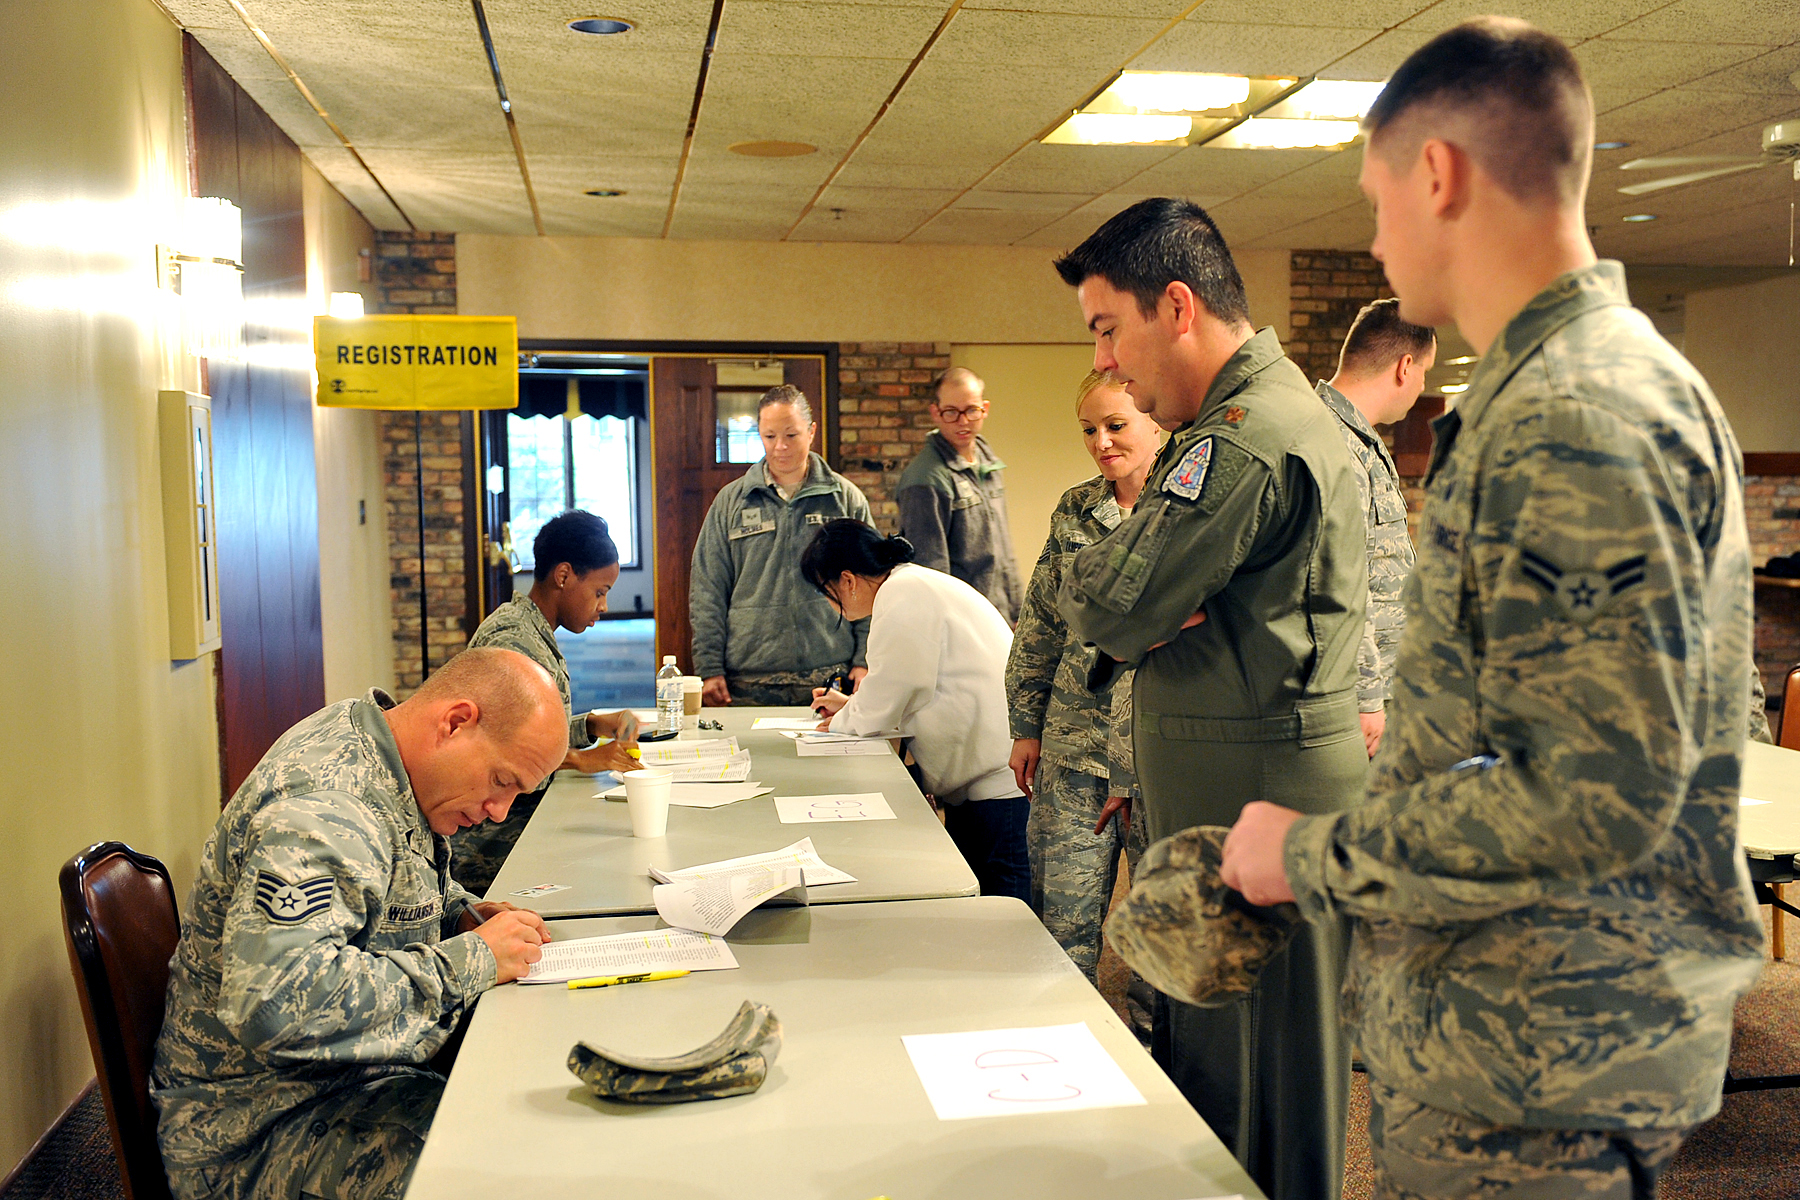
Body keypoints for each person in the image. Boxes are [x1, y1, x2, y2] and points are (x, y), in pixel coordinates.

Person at [1218, 19, 1765, 1199]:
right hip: (1513, 1038)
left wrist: (1308, 853)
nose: (1375, 238)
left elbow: (1584, 798)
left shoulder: (1575, 415)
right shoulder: (1567, 391)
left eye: (1376, 201)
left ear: (1438, 174)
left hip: (1538, 1066)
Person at [1053, 197, 1369, 1200]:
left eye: (1110, 328)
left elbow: (1109, 600)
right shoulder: (1249, 419)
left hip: (1257, 800)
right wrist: (1138, 602)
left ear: (1177, 307)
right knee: (1222, 1066)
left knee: (1255, 1084)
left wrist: (1128, 599)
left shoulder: (1240, 438)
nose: (1106, 361)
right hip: (1237, 794)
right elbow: (1126, 602)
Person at [152, 648, 567, 1200]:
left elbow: (384, 886)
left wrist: (461, 914)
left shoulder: (386, 753)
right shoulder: (328, 807)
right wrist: (473, 961)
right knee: (518, 1169)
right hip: (260, 1131)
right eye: (501, 781)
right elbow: (273, 1004)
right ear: (455, 722)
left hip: (341, 1082)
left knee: (539, 1100)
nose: (499, 810)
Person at [1005, 369, 1160, 983]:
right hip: (1075, 747)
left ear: (1155, 421)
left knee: (1162, 938)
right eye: (1089, 430)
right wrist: (1026, 724)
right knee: (1059, 928)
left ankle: (1154, 1044)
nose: (1102, 442)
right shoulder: (1077, 508)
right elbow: (1041, 622)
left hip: (1159, 756)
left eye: (1116, 425)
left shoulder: (1194, 507)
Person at [801, 519, 1029, 902]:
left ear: (847, 580)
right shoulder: (909, 584)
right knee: (980, 899)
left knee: (1003, 904)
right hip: (984, 774)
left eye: (827, 592)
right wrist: (852, 706)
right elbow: (904, 686)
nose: (830, 604)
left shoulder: (902, 594)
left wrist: (843, 721)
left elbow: (890, 695)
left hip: (996, 784)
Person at [450, 509, 640, 894]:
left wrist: (589, 726)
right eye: (600, 591)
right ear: (564, 576)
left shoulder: (530, 629)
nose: (603, 605)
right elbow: (500, 750)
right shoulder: (514, 640)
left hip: (516, 831)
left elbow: (523, 728)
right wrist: (581, 759)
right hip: (492, 848)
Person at [691, 384, 875, 706]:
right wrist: (709, 667)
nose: (780, 447)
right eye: (769, 436)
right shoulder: (730, 502)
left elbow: (871, 583)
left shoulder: (846, 499)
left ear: (811, 432)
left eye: (791, 435)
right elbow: (708, 588)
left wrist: (865, 659)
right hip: (748, 680)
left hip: (830, 676)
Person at [1316, 298, 1437, 758]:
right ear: (1405, 367)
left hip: (1378, 686)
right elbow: (1341, 580)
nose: (1422, 385)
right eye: (1425, 371)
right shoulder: (1335, 442)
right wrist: (1367, 696)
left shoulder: (1355, 435)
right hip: (1357, 700)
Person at [896, 367, 1025, 622]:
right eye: (951, 412)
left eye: (971, 410)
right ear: (936, 412)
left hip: (999, 615)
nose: (963, 421)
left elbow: (1003, 551)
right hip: (965, 622)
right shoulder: (925, 479)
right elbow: (931, 573)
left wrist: (1020, 612)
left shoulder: (989, 464)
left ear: (985, 409)